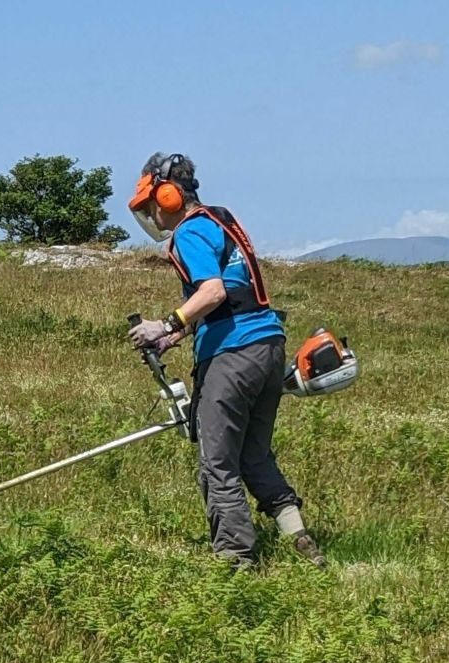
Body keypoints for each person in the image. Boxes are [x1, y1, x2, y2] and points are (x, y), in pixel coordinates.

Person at [123, 153, 323, 568]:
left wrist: (163, 324)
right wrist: (179, 333)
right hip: (267, 347)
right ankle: (300, 539)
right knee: (254, 455)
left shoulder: (189, 233)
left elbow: (212, 292)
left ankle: (236, 562)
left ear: (168, 196)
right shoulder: (221, 220)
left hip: (232, 355)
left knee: (218, 462)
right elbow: (232, 295)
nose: (154, 218)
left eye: (152, 206)